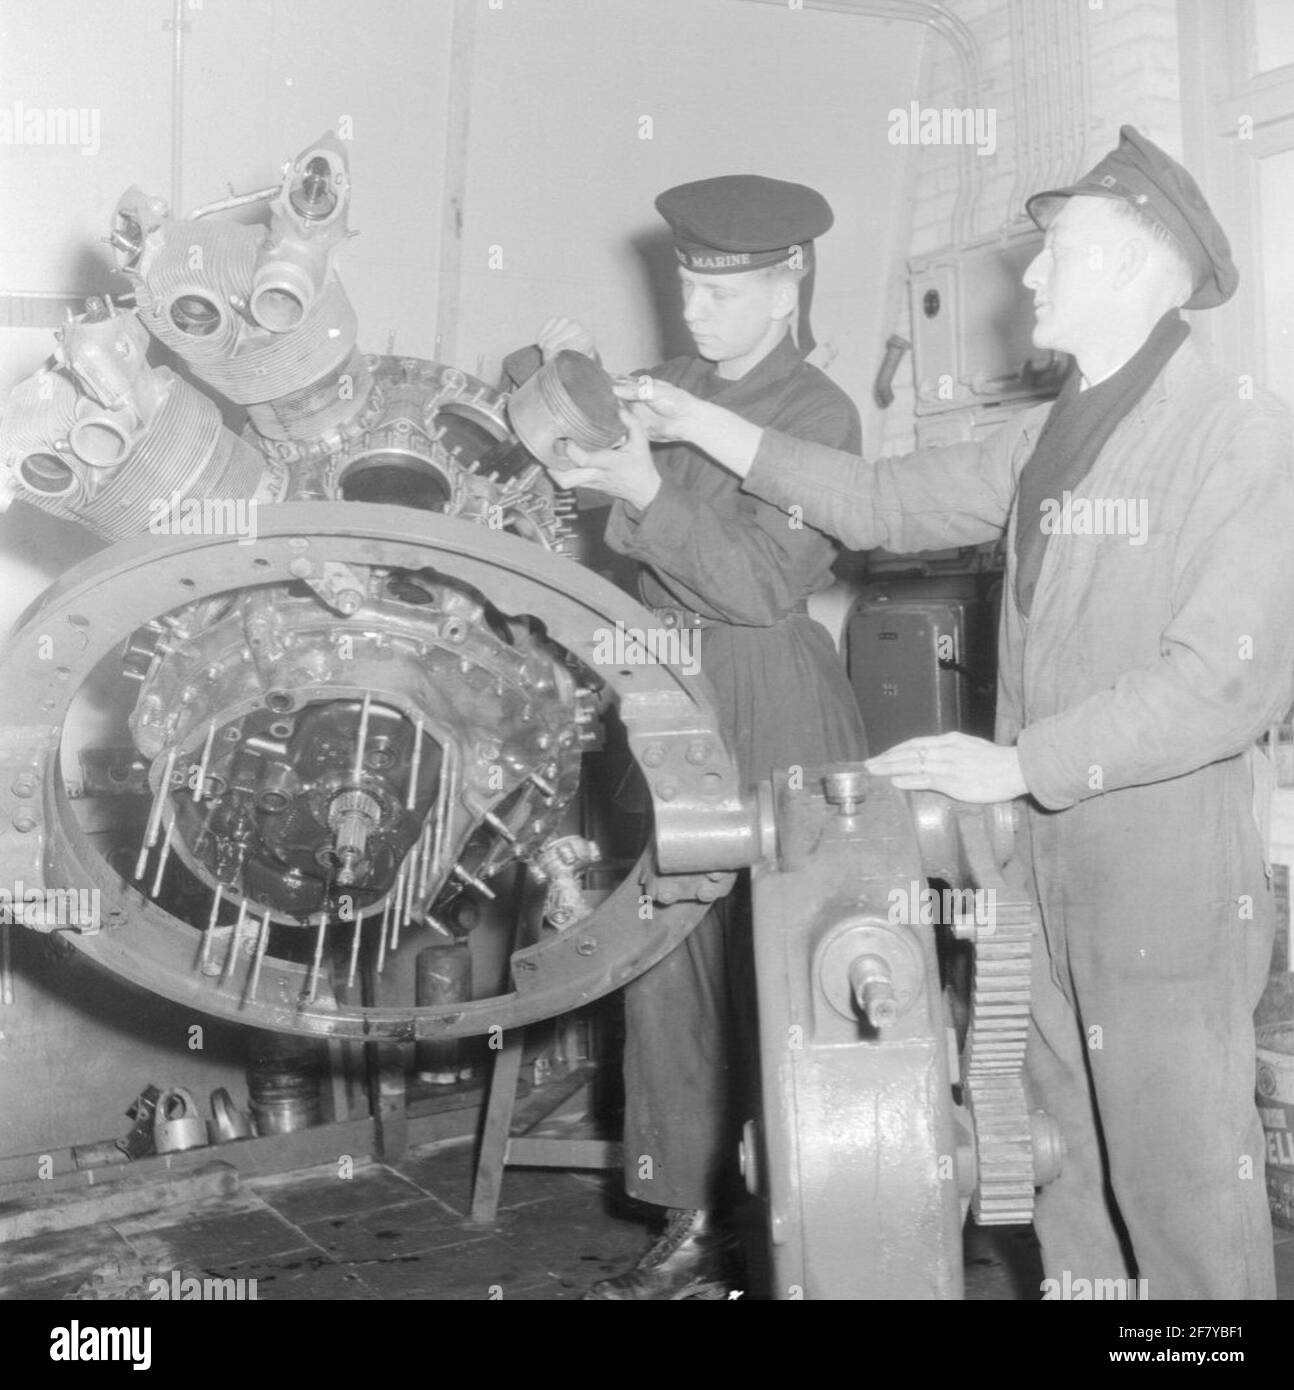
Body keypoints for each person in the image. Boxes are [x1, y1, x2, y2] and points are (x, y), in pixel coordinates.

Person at [559, 128, 1294, 1300]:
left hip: (1155, 867)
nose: (1030, 279)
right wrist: (701, 426)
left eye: (1057, 254)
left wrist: (1017, 765)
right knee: (1055, 1167)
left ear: (1139, 270)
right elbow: (881, 499)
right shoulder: (1053, 429)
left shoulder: (1237, 434)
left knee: (1179, 1181)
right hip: (1034, 861)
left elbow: (1226, 682)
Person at [508, 175, 867, 1298]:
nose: (696, 310)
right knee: (664, 969)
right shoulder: (660, 386)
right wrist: (551, 380)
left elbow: (764, 583)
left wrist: (641, 483)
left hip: (772, 711)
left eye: (724, 291)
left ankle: (795, 1215)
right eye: (685, 287)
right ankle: (690, 1214)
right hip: (664, 705)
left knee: (778, 973)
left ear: (787, 285)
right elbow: (554, 468)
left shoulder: (819, 416)